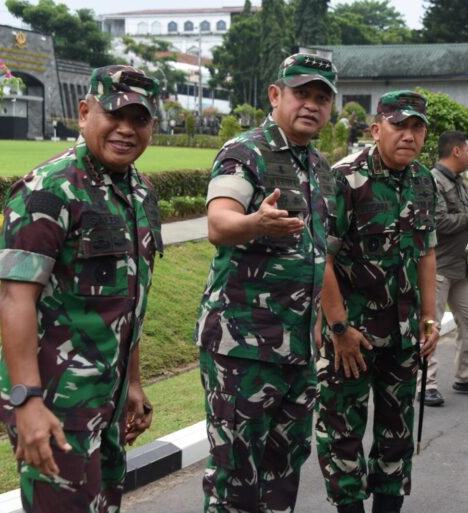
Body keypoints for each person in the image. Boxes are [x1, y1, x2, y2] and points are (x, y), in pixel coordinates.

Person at [0, 65, 162, 512]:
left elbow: (128, 302)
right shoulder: (48, 190)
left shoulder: (140, 194)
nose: (126, 130)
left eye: (139, 120)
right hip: (55, 404)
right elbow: (15, 296)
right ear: (85, 112)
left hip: (108, 396)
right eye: (114, 115)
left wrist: (134, 384)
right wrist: (26, 401)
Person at [193, 53, 337, 512]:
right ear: (276, 95)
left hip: (297, 351)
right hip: (244, 350)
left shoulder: (319, 167)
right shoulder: (245, 152)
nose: (311, 105)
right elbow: (218, 222)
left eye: (322, 98)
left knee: (283, 472)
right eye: (301, 94)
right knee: (235, 479)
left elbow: (319, 253)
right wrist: (256, 222)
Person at [315, 90, 440, 513]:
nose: (409, 135)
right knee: (342, 435)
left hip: (403, 335)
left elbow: (425, 251)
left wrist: (428, 317)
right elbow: (323, 259)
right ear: (376, 129)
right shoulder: (344, 179)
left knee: (396, 435)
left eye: (417, 127)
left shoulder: (423, 180)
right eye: (399, 125)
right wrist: (338, 329)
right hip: (352, 335)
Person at [419, 131, 468, 407]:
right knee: (429, 324)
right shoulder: (432, 181)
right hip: (436, 266)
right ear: (457, 151)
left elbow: (459, 216)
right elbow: (437, 223)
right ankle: (426, 382)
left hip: (459, 264)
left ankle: (466, 375)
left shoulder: (459, 182)